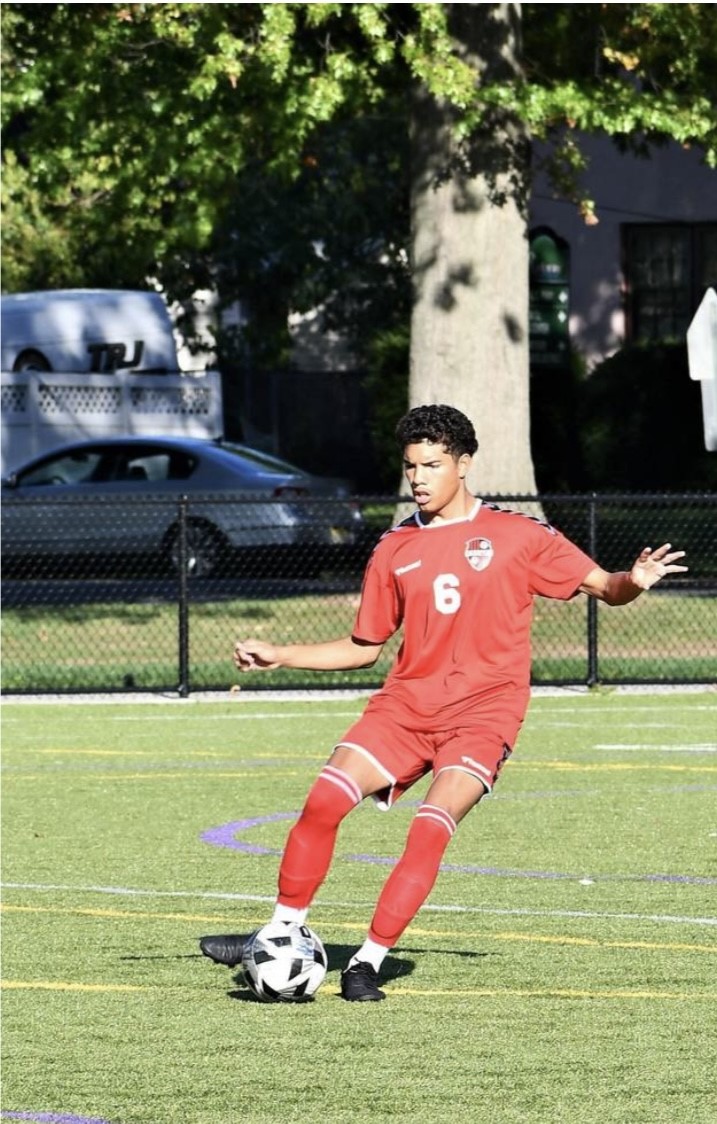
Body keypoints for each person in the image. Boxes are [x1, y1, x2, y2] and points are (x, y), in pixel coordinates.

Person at [199, 403, 687, 1001]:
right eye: (411, 466)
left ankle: (366, 963)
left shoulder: (519, 535)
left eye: (431, 465)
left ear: (464, 464)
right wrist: (281, 654)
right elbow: (363, 648)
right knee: (323, 801)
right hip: (405, 709)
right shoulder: (394, 548)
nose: (419, 478)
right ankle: (279, 933)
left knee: (429, 830)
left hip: (483, 716)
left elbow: (606, 588)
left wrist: (633, 581)